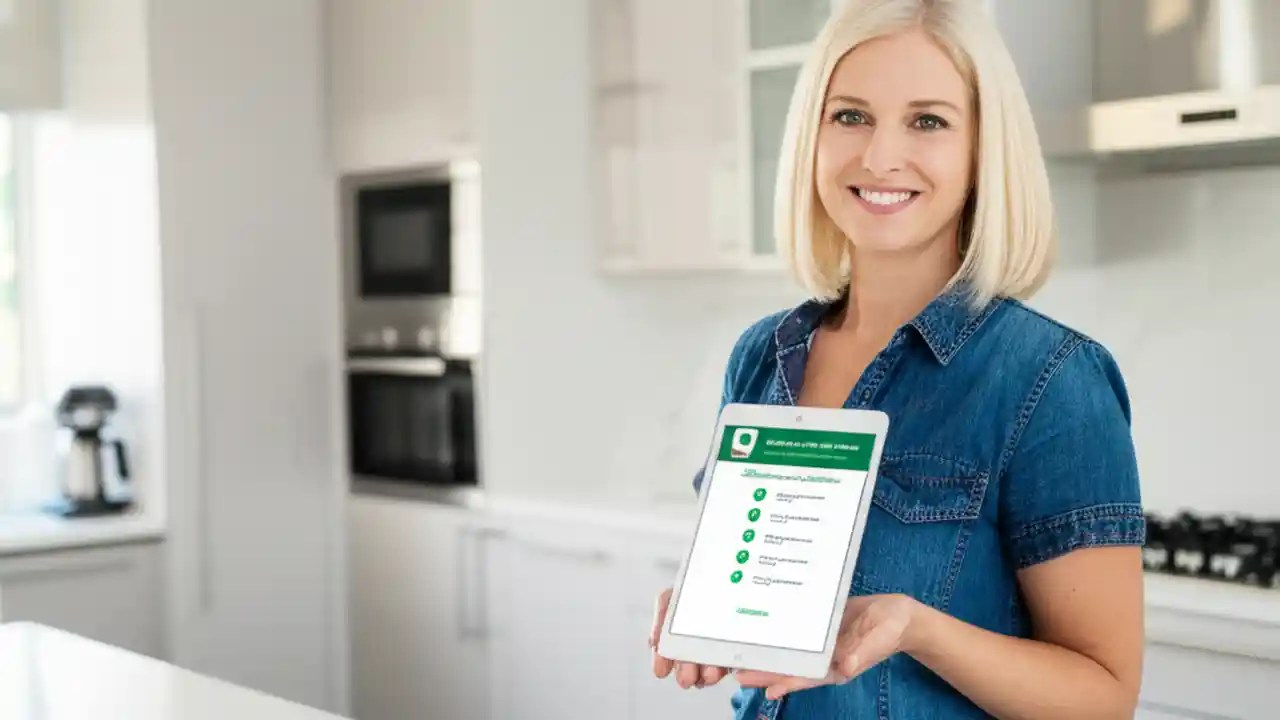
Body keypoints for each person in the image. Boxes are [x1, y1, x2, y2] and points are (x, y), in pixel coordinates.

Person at [647, 1, 1147, 718]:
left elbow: (1103, 700)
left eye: (928, 121)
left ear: (982, 151)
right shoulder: (764, 355)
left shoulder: (1050, 379)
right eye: (850, 116)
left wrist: (919, 630)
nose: (880, 156)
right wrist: (711, 614)